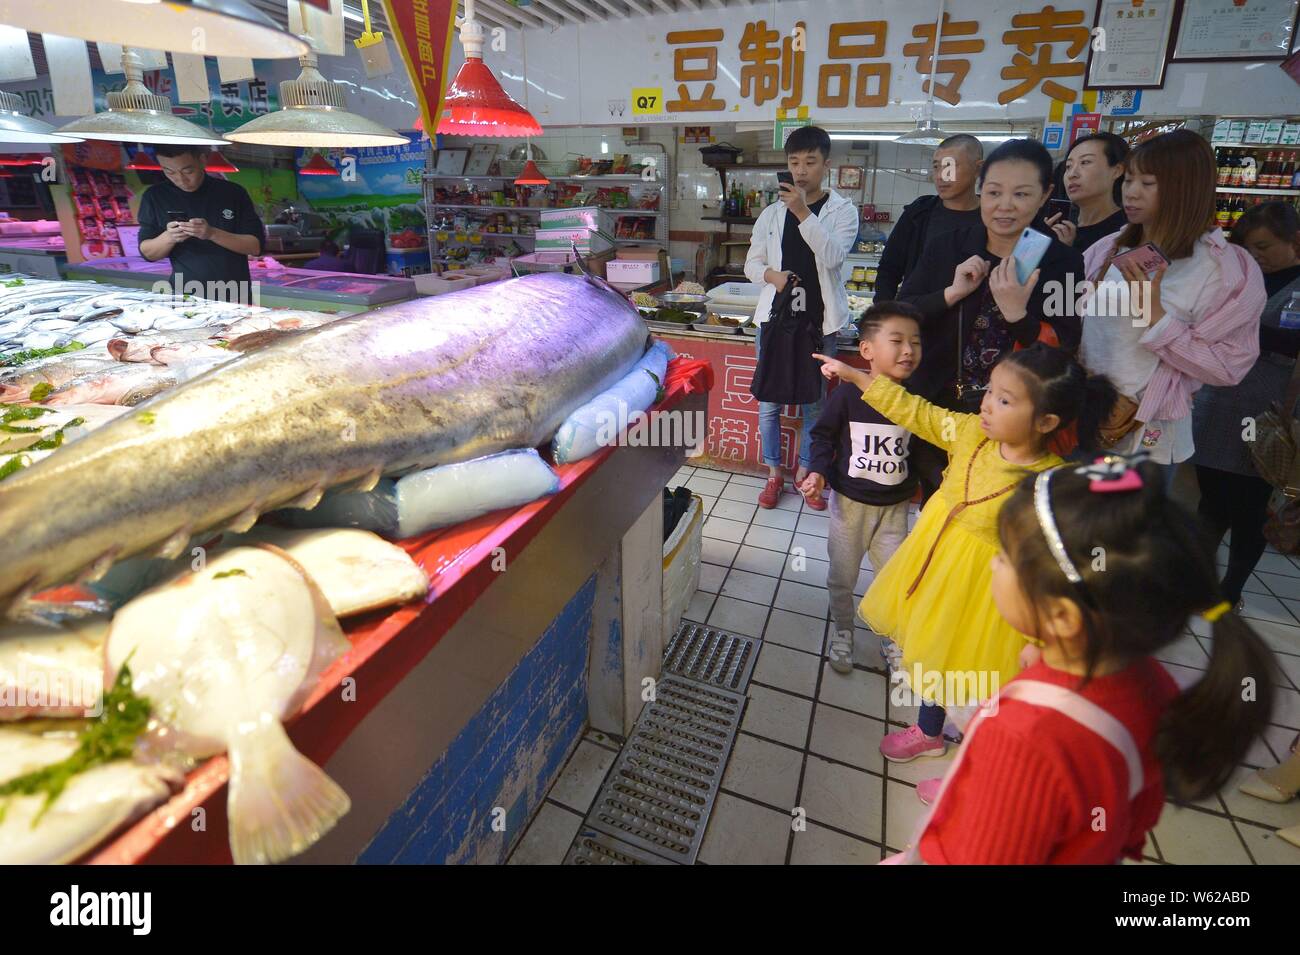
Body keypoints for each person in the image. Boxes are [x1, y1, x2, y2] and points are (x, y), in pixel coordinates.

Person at [884, 457, 1276, 864]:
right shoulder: (1153, 684)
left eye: (1004, 555)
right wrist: (1050, 658)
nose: (993, 563)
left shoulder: (1021, 733)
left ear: (1063, 617)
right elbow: (1133, 819)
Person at [811, 343, 1117, 774]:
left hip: (992, 602)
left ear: (1046, 421)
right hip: (939, 572)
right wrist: (859, 378)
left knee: (982, 688)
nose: (988, 405)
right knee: (935, 651)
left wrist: (1038, 640)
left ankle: (973, 774)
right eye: (990, 391)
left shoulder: (1053, 484)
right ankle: (929, 733)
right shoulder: (972, 432)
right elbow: (917, 413)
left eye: (1005, 400)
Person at [898, 138, 1086, 500]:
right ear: (981, 189)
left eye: (1021, 195)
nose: (1004, 206)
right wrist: (950, 295)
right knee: (939, 501)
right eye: (994, 192)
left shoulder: (1061, 262)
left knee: (993, 508)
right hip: (941, 408)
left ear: (1045, 194)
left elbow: (1065, 348)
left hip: (1012, 418)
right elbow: (904, 312)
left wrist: (1019, 315)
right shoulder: (948, 246)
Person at [1079, 129, 1266, 471]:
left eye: (1147, 183)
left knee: (1129, 519)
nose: (1131, 192)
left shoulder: (1221, 269)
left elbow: (1227, 366)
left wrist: (1157, 317)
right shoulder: (1110, 247)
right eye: (1129, 179)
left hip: (1146, 433)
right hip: (1086, 415)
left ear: (1185, 189)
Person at [802, 302, 923, 674]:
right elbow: (823, 436)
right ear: (867, 350)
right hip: (849, 506)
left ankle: (891, 637)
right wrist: (818, 473)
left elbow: (926, 446)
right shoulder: (848, 395)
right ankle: (843, 631)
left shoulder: (916, 400)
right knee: (842, 575)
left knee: (892, 578)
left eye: (916, 342)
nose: (908, 350)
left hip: (895, 510)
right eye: (897, 341)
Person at [744, 125, 860, 510]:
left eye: (810, 162)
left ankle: (808, 473)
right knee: (769, 404)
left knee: (815, 403)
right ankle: (774, 474)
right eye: (794, 162)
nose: (801, 170)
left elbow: (833, 258)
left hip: (819, 322)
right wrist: (770, 276)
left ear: (826, 164)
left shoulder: (843, 211)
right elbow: (751, 263)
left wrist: (802, 212)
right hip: (776, 323)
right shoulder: (770, 214)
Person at [1192, 202, 1300, 607]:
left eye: (1264, 246)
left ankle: (1230, 590)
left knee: (1250, 508)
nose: (1255, 256)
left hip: (1269, 413)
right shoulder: (1236, 278)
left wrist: (1239, 330)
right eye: (1247, 247)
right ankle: (1200, 585)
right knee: (1211, 501)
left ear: (1294, 241)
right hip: (1217, 402)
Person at [137, 145, 265, 303]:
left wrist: (212, 233)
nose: (180, 179)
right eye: (169, 171)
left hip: (235, 295)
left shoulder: (232, 193)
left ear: (202, 161)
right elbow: (148, 253)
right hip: (183, 296)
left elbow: (255, 247)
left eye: (188, 171)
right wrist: (169, 237)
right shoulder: (155, 196)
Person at [873, 134, 983, 302]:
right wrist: (884, 311)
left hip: (972, 323)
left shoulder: (992, 219)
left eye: (949, 167)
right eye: (936, 167)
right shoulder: (919, 214)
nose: (940, 176)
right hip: (918, 318)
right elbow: (889, 268)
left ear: (978, 169)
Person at [1045, 133, 1129, 253]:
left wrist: (1065, 254)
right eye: (1068, 166)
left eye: (1085, 162)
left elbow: (1071, 273)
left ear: (1117, 171)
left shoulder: (1126, 233)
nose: (1072, 174)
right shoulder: (1060, 225)